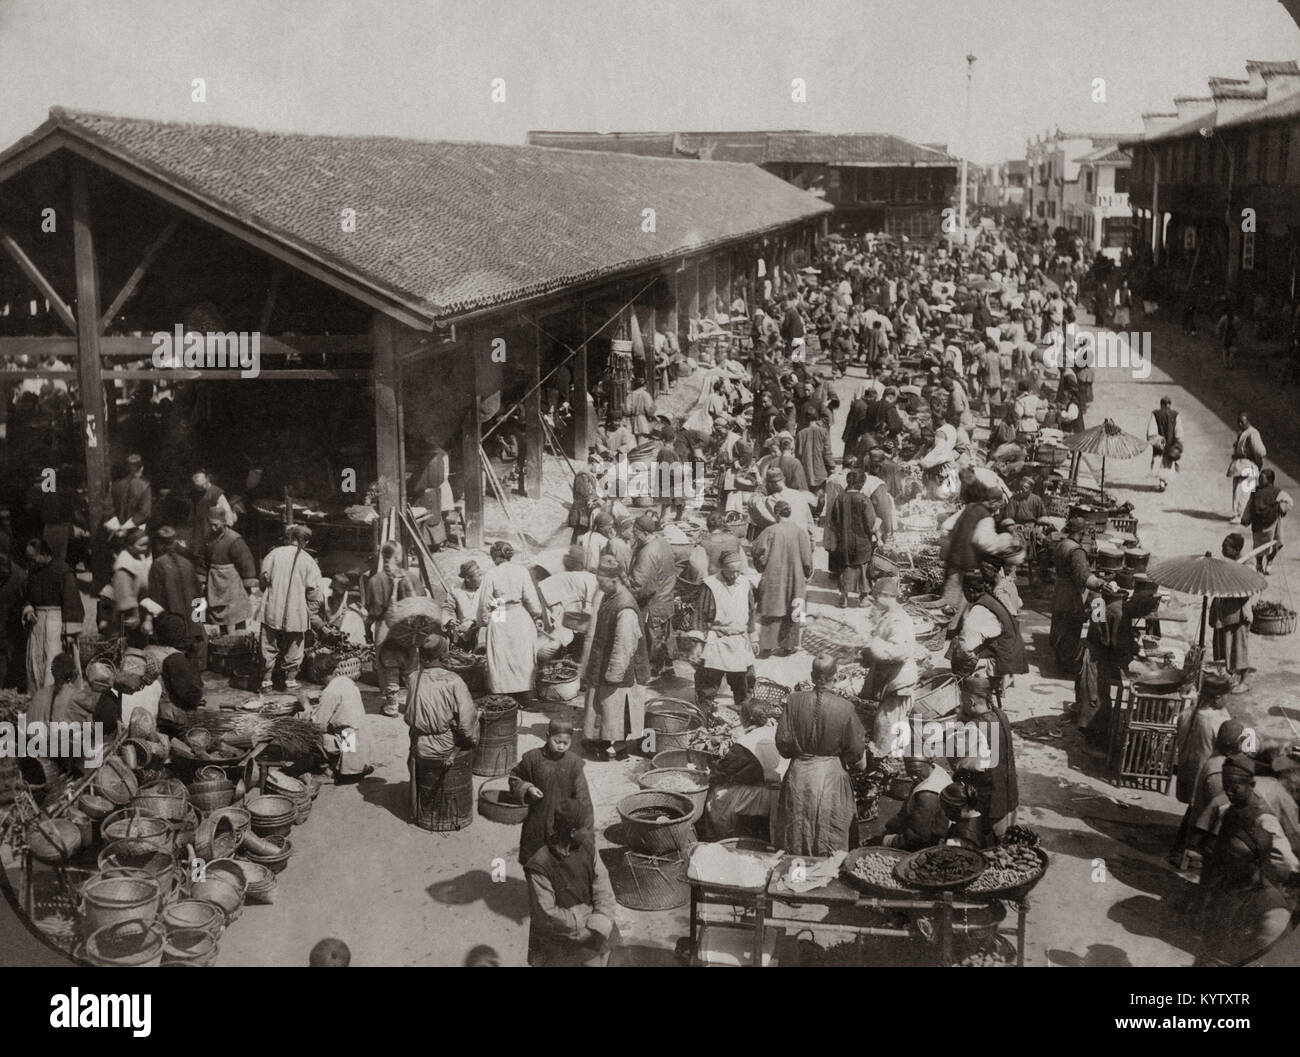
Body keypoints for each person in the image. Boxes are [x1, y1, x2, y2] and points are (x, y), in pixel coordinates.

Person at [1194, 755, 1296, 966]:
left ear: (1252, 785)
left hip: (1250, 892)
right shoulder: (1231, 808)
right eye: (1226, 787)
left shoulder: (1265, 820)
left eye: (1235, 788)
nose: (1229, 792)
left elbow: (1289, 863)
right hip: (1229, 887)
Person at [775, 656, 866, 855]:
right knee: (830, 829)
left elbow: (783, 744)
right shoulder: (845, 707)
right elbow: (856, 751)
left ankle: (796, 869)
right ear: (835, 676)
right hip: (832, 776)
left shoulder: (793, 701)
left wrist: (800, 754)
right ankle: (830, 873)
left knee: (797, 829)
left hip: (800, 774)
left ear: (812, 676)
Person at [523, 797, 620, 967]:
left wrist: (595, 926)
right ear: (573, 831)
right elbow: (546, 913)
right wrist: (582, 923)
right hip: (561, 934)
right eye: (586, 827)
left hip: (593, 924)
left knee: (609, 956)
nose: (590, 831)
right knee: (590, 963)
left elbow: (604, 889)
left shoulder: (588, 848)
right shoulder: (540, 866)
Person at [404, 632, 479, 831]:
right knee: (473, 722)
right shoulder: (453, 680)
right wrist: (469, 740)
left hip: (420, 745)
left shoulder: (413, 678)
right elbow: (466, 725)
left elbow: (408, 717)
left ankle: (421, 808)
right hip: (443, 746)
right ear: (443, 654)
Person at [581, 556, 648, 757]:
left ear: (614, 581)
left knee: (617, 709)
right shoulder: (608, 596)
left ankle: (619, 746)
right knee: (607, 709)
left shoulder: (625, 607)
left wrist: (614, 674)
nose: (599, 587)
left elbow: (624, 645)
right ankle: (602, 740)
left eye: (602, 583)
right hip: (604, 659)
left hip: (622, 667)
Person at [509, 716, 594, 867]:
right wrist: (528, 788)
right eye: (557, 741)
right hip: (537, 820)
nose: (561, 746)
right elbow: (515, 778)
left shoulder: (573, 763)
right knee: (535, 860)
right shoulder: (532, 758)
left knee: (560, 862)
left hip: (562, 822)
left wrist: (584, 829)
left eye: (566, 743)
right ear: (547, 736)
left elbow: (583, 798)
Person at [949, 672, 1019, 845]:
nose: (960, 705)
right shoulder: (1001, 715)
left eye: (962, 701)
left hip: (988, 803)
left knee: (984, 846)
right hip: (1008, 797)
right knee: (1003, 842)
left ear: (971, 702)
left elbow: (958, 763)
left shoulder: (974, 727)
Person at [703, 697, 786, 841]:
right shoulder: (775, 729)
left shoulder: (746, 742)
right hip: (785, 788)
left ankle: (721, 834)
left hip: (772, 794)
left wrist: (708, 774)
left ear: (747, 718)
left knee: (718, 795)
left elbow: (724, 771)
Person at [478, 541, 547, 709]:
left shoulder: (491, 573)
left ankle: (502, 694)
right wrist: (536, 615)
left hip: (501, 611)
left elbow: (485, 602)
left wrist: (486, 621)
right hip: (519, 614)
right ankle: (525, 694)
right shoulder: (521, 571)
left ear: (495, 556)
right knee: (521, 655)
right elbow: (530, 598)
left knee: (501, 654)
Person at [367, 541, 433, 716]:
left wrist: (368, 621)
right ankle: (414, 705)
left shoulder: (376, 580)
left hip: (386, 628)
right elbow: (421, 601)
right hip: (409, 628)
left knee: (388, 667)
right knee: (411, 667)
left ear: (383, 556)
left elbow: (374, 610)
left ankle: (392, 705)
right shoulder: (412, 578)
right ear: (398, 556)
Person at [860, 573, 919, 755]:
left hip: (899, 682)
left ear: (888, 597)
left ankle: (885, 761)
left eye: (876, 596)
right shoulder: (889, 614)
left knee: (886, 727)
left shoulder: (898, 620)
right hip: (893, 679)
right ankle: (894, 757)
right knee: (893, 724)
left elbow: (900, 651)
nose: (874, 600)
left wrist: (873, 645)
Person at [692, 550, 757, 717]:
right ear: (722, 568)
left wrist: (753, 637)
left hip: (739, 638)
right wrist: (698, 644)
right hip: (717, 639)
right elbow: (699, 615)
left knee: (744, 679)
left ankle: (743, 711)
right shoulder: (710, 585)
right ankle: (704, 714)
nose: (735, 575)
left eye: (738, 571)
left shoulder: (745, 584)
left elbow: (751, 612)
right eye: (731, 571)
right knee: (709, 682)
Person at [259, 525, 321, 693]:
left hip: (272, 607)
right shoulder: (308, 560)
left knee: (268, 643)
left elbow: (263, 579)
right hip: (296, 609)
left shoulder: (273, 554)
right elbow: (314, 591)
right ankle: (290, 681)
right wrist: (312, 611)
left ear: (289, 538)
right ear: (305, 541)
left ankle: (266, 681)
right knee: (295, 643)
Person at [1048, 518, 1111, 677]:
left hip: (1059, 590)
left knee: (1059, 625)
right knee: (1072, 628)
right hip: (1071, 595)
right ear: (1082, 532)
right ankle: (1067, 665)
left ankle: (1059, 659)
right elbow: (1083, 576)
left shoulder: (1063, 544)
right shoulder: (1077, 551)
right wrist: (1099, 583)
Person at [751, 500, 813, 658]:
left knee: (772, 609)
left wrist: (761, 566)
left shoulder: (770, 531)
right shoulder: (799, 532)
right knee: (795, 610)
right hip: (796, 576)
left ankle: (767, 646)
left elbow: (757, 550)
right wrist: (807, 573)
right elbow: (807, 558)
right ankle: (789, 645)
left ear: (776, 513)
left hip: (774, 576)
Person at [20, 538, 82, 691]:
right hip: (37, 625)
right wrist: (28, 610)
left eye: (32, 557)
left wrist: (69, 633)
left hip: (57, 624)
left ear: (43, 553)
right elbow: (26, 597)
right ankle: (38, 698)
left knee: (53, 662)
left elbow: (71, 600)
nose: (30, 562)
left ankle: (57, 698)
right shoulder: (33, 573)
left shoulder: (63, 571)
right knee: (36, 663)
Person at [148, 526, 207, 673]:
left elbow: (155, 598)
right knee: (192, 658)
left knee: (176, 663)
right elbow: (199, 595)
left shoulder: (158, 565)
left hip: (174, 625)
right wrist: (199, 623)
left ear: (159, 545)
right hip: (192, 624)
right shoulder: (187, 563)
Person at [1175, 671, 1234, 808]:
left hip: (1186, 773)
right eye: (1227, 696)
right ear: (1218, 698)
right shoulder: (1219, 720)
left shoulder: (1186, 713)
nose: (1228, 700)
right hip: (1207, 777)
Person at [301, 675, 373, 782]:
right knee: (345, 731)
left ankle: (330, 771)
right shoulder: (347, 681)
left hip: (349, 740)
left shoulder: (330, 692)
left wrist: (306, 705)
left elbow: (317, 723)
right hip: (360, 734)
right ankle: (354, 766)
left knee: (309, 734)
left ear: (316, 672)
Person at [199, 506, 258, 635]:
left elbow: (245, 562)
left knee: (236, 614)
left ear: (224, 523)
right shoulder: (208, 539)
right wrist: (202, 578)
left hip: (232, 583)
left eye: (216, 525)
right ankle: (224, 640)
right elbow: (203, 560)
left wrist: (248, 583)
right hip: (215, 583)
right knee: (221, 616)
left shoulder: (234, 539)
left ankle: (239, 641)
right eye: (211, 525)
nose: (213, 528)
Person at [824, 469, 876, 608]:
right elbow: (870, 522)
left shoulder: (840, 498)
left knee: (845, 568)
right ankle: (863, 598)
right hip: (862, 541)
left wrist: (841, 533)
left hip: (844, 541)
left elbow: (833, 521)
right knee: (863, 568)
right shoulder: (864, 499)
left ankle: (844, 597)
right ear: (861, 484)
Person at [880, 757, 958, 851]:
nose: (913, 777)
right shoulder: (935, 771)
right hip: (929, 827)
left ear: (928, 764)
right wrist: (891, 827)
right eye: (910, 773)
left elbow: (917, 836)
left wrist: (887, 841)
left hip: (932, 841)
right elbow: (904, 813)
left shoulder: (927, 795)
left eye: (917, 772)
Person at [1210, 533, 1254, 693]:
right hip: (1224, 610)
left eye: (1226, 548)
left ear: (1236, 550)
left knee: (1238, 648)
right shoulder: (1229, 561)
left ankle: (1244, 680)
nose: (1222, 551)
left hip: (1238, 612)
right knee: (1223, 646)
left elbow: (1247, 589)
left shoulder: (1248, 565)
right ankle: (1228, 676)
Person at [149, 612, 206, 723]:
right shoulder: (174, 658)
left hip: (148, 705)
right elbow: (187, 693)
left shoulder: (148, 649)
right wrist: (197, 697)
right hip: (166, 713)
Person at [1241, 468, 1291, 574]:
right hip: (1258, 522)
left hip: (1273, 522)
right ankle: (1259, 564)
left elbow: (1289, 502)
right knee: (1258, 546)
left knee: (1277, 543)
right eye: (1259, 478)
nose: (1259, 480)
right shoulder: (1255, 490)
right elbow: (1250, 504)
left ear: (1269, 480)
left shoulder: (1278, 492)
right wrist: (1246, 517)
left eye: (1262, 478)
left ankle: (1269, 562)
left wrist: (1281, 508)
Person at [1228, 413, 1267, 522]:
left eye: (1242, 421)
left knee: (1244, 490)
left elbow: (1261, 451)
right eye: (1239, 422)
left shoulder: (1253, 433)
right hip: (1241, 465)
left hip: (1249, 465)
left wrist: (1253, 457)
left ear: (1248, 421)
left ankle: (1241, 515)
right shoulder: (1243, 433)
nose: (1240, 424)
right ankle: (1237, 514)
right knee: (1237, 490)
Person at [188, 469, 236, 550]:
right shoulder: (194, 492)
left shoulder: (215, 492)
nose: (199, 489)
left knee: (212, 548)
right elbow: (193, 507)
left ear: (207, 479)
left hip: (212, 526)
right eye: (197, 487)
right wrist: (190, 518)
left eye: (201, 486)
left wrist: (227, 526)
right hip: (199, 525)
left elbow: (227, 510)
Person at [1146, 396, 1183, 492]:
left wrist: (1155, 440)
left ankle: (1162, 482)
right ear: (1169, 405)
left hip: (1160, 444)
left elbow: (1152, 431)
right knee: (1168, 463)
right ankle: (1164, 481)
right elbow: (1178, 431)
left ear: (1161, 404)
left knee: (1159, 462)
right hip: (1171, 445)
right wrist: (1178, 442)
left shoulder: (1156, 414)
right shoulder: (1176, 415)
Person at [795, 413, 834, 498]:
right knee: (820, 497)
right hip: (820, 471)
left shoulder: (800, 434)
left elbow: (798, 454)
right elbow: (827, 453)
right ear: (817, 418)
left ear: (805, 419)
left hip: (806, 472)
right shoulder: (823, 432)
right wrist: (832, 467)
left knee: (808, 497)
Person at [567, 453, 603, 545]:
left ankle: (575, 554)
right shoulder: (582, 476)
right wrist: (598, 500)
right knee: (580, 535)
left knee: (581, 535)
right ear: (593, 463)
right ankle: (575, 554)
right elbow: (586, 495)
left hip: (585, 510)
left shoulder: (588, 476)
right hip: (580, 511)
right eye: (598, 465)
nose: (599, 469)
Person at [110, 454, 152, 529]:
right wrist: (126, 527)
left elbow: (108, 505)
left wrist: (116, 525)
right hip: (135, 532)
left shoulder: (116, 485)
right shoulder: (145, 486)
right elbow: (144, 513)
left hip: (116, 530)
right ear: (142, 468)